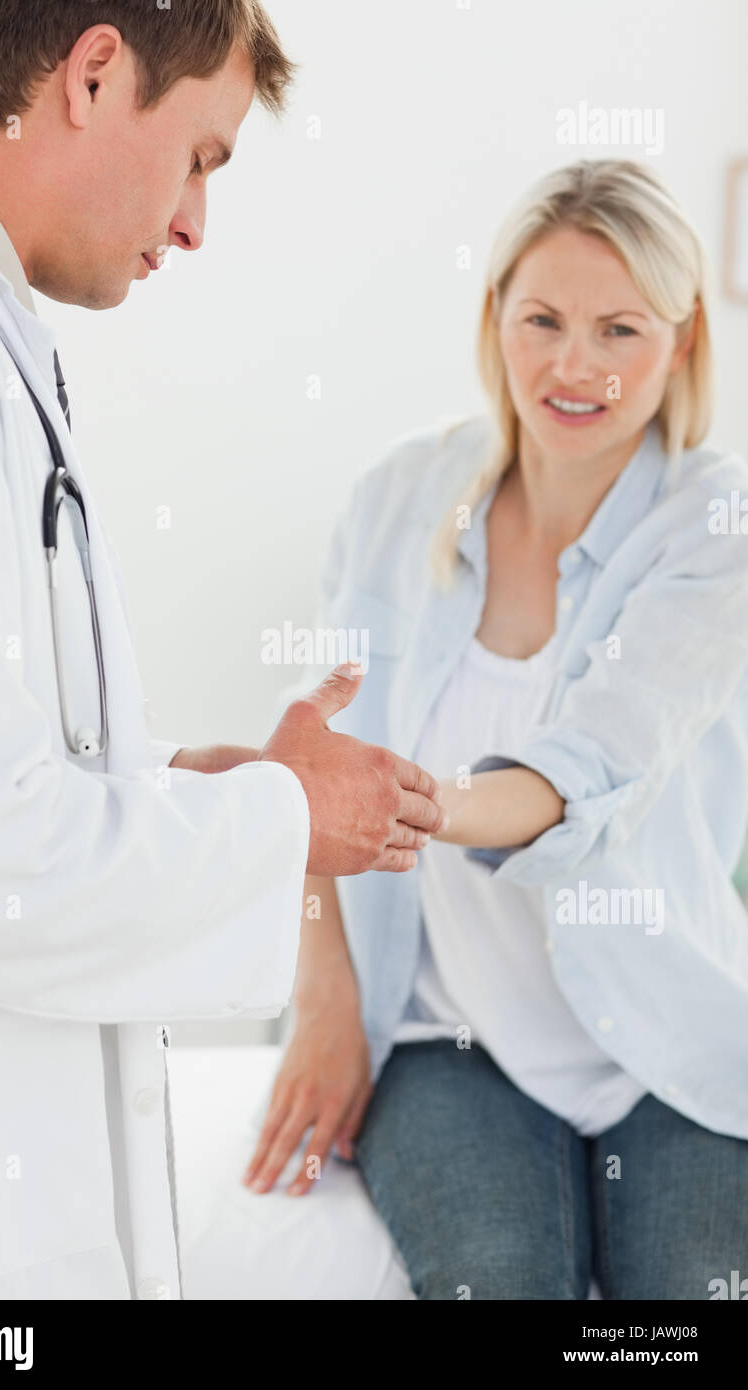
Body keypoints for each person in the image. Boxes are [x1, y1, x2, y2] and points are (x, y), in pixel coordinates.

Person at [0, 0, 446, 1302]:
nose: (195, 221)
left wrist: (169, 780)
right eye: (200, 155)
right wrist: (281, 818)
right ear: (91, 73)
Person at [244, 160, 748, 1300]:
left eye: (619, 328)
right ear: (494, 321)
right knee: (493, 1280)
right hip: (449, 1038)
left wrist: (404, 803)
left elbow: (592, 763)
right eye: (543, 320)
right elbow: (315, 783)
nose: (574, 366)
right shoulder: (394, 501)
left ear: (678, 341)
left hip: (664, 1034)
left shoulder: (716, 524)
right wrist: (325, 997)